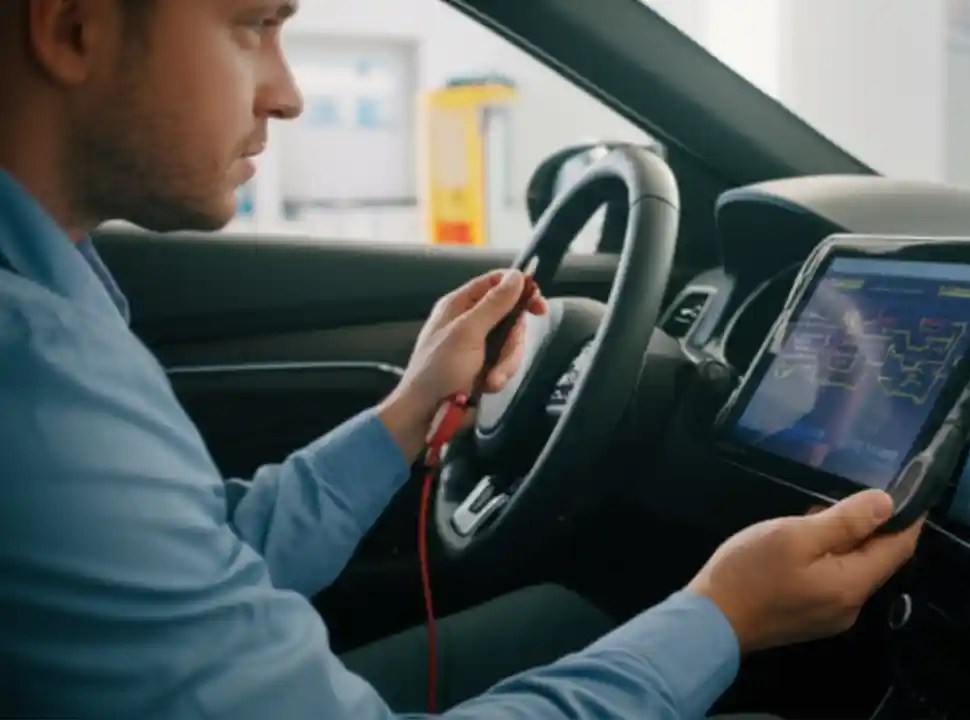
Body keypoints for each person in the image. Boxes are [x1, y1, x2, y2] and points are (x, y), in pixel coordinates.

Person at [0, 1, 923, 718]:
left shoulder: (54, 301)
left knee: (565, 616)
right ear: (73, 26)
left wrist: (411, 411)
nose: (286, 93)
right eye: (253, 25)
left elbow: (216, 548)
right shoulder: (36, 381)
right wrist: (726, 616)